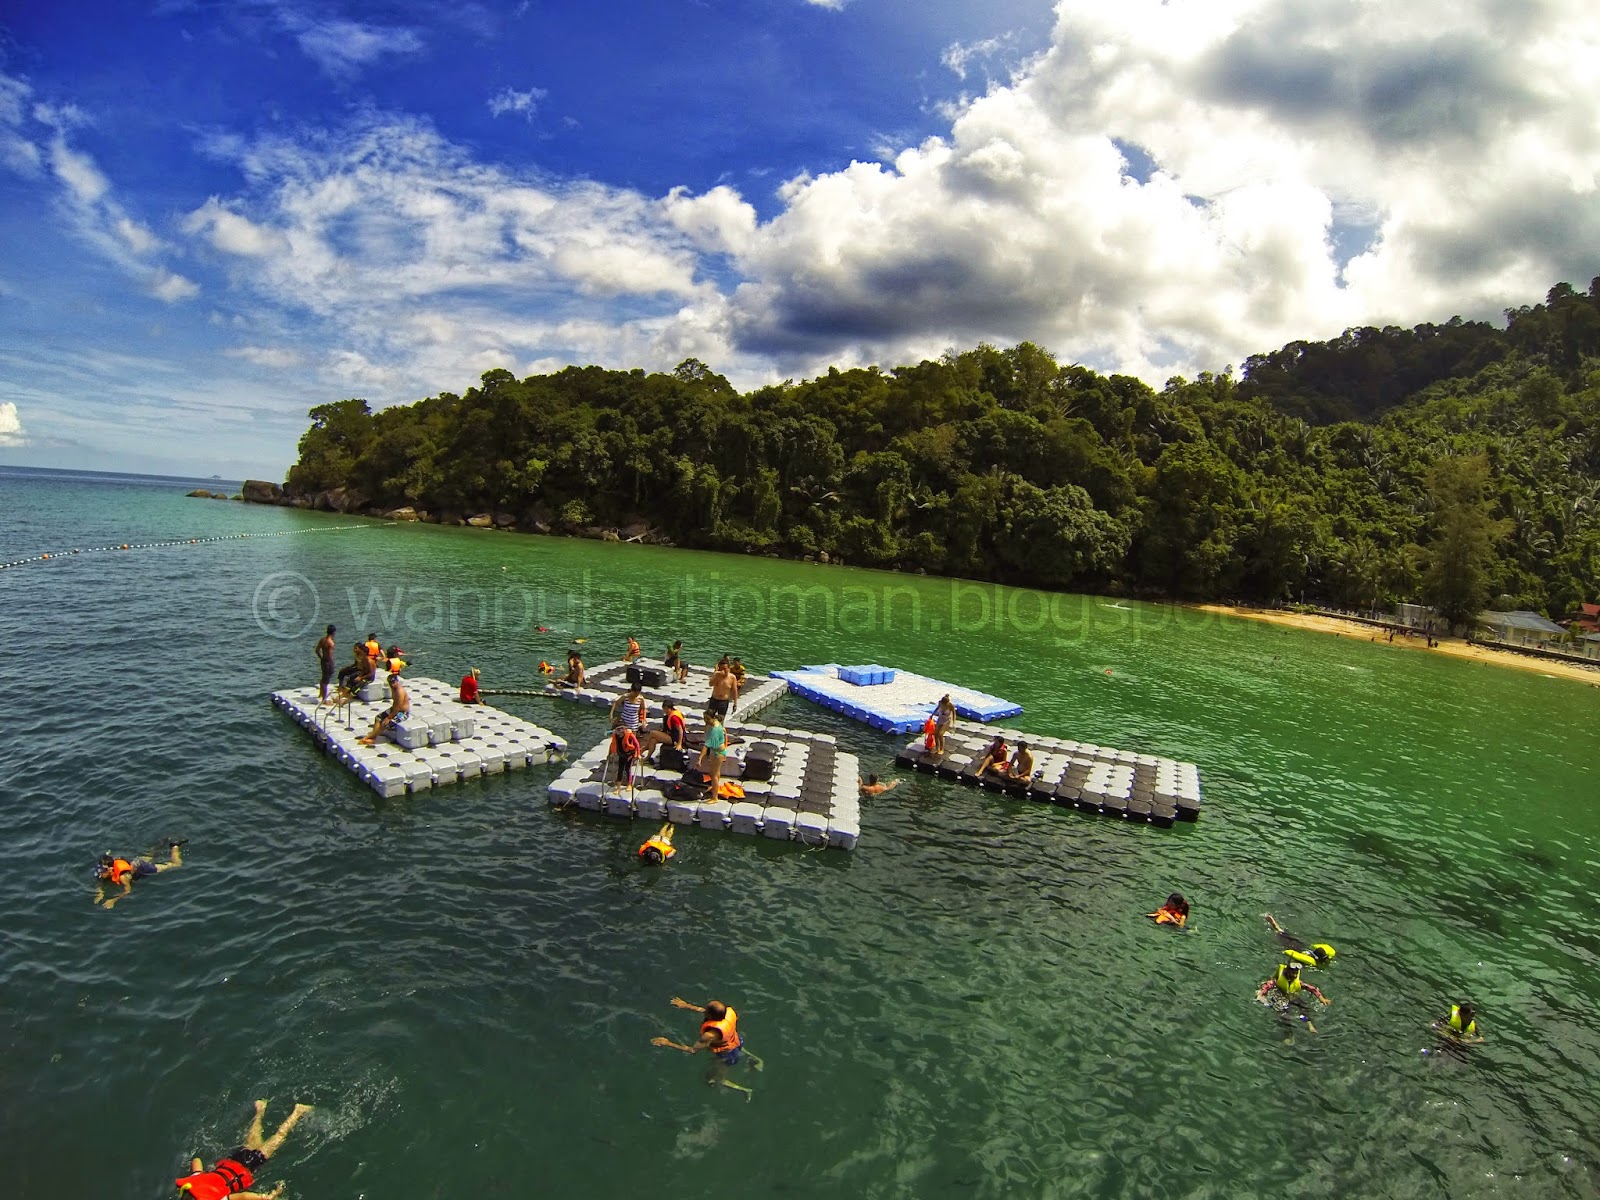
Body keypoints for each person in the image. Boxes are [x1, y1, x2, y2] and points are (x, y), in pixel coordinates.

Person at [173, 1099, 313, 1200]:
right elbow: (196, 1161)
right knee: (252, 1141)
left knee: (279, 1137)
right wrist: (206, 1173)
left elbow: (244, 1196)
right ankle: (260, 1110)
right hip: (233, 1160)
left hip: (247, 1167)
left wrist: (265, 1198)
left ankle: (297, 1112)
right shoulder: (192, 1182)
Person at [651, 997, 764, 1099]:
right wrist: (686, 1005)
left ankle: (745, 1090)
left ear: (710, 1016)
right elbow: (708, 1012)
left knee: (714, 1079)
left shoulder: (709, 1035)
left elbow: (692, 1050)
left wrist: (668, 1042)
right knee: (735, 1046)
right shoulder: (728, 1012)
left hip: (726, 1055)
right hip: (738, 1041)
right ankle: (757, 1061)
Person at [95, 840, 184, 910]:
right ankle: (163, 842)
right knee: (150, 856)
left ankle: (174, 846)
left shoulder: (122, 877)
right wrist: (100, 893)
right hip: (135, 863)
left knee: (176, 864)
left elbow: (127, 891)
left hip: (142, 868)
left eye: (102, 871)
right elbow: (101, 881)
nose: (100, 873)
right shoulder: (106, 872)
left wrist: (113, 900)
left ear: (110, 870)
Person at [1256, 961, 1330, 1031]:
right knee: (1284, 1014)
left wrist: (1321, 998)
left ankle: (1310, 1025)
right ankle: (1288, 1034)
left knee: (1303, 1006)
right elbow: (1265, 987)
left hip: (1292, 996)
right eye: (1292, 973)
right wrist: (1261, 995)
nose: (1294, 975)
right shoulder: (1277, 980)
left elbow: (1312, 989)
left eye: (1296, 973)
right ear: (1287, 971)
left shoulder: (1298, 982)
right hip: (1280, 997)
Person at [1263, 914, 1336, 967]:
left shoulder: (1311, 956)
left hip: (1301, 945)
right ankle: (1274, 924)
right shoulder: (1309, 961)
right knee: (1280, 934)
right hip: (1295, 948)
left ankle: (1276, 926)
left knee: (1284, 934)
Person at [359, 672, 410, 745]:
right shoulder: (393, 688)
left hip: (402, 713)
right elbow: (395, 706)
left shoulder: (400, 691)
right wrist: (388, 715)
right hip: (394, 709)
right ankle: (373, 737)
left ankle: (371, 736)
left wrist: (389, 718)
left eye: (393, 682)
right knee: (378, 718)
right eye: (390, 683)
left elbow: (398, 707)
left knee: (385, 723)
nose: (392, 684)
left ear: (396, 681)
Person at [698, 709, 727, 794]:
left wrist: (700, 758)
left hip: (719, 753)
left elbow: (706, 745)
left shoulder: (715, 729)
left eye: (707, 718)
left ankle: (715, 797)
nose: (705, 720)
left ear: (713, 718)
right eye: (704, 718)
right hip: (714, 751)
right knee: (715, 772)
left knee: (713, 775)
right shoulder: (713, 723)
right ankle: (715, 788)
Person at [609, 721, 642, 795]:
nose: (621, 731)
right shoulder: (616, 736)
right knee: (620, 770)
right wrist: (610, 754)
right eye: (618, 729)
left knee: (627, 769)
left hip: (629, 755)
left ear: (625, 729)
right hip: (621, 755)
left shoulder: (629, 735)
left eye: (622, 729)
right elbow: (612, 745)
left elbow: (637, 744)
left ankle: (629, 784)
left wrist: (638, 754)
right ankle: (618, 787)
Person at [314, 625, 336, 702]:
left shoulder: (322, 640)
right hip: (328, 662)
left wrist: (321, 658)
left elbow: (317, 650)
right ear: (333, 633)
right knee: (326, 681)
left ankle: (321, 694)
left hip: (323, 661)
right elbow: (330, 656)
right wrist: (331, 664)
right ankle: (324, 699)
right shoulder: (331, 643)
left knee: (323, 677)